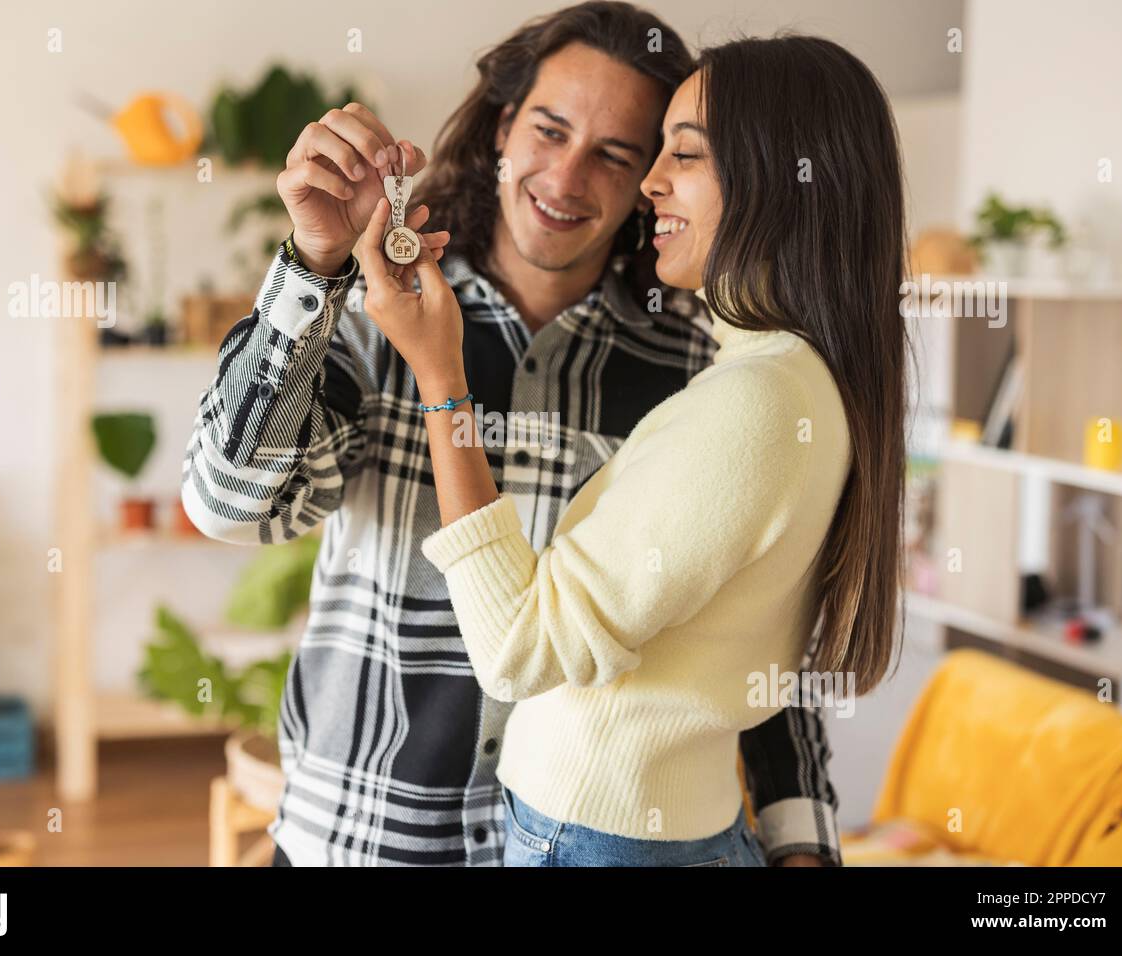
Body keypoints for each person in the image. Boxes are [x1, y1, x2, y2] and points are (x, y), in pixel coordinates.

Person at [182, 4, 842, 866]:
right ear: (502, 126)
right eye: (550, 129)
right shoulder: (373, 312)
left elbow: (741, 632)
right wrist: (314, 267)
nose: (567, 178)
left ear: (651, 179)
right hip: (358, 845)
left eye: (616, 152)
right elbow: (229, 506)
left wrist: (802, 838)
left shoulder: (697, 366)